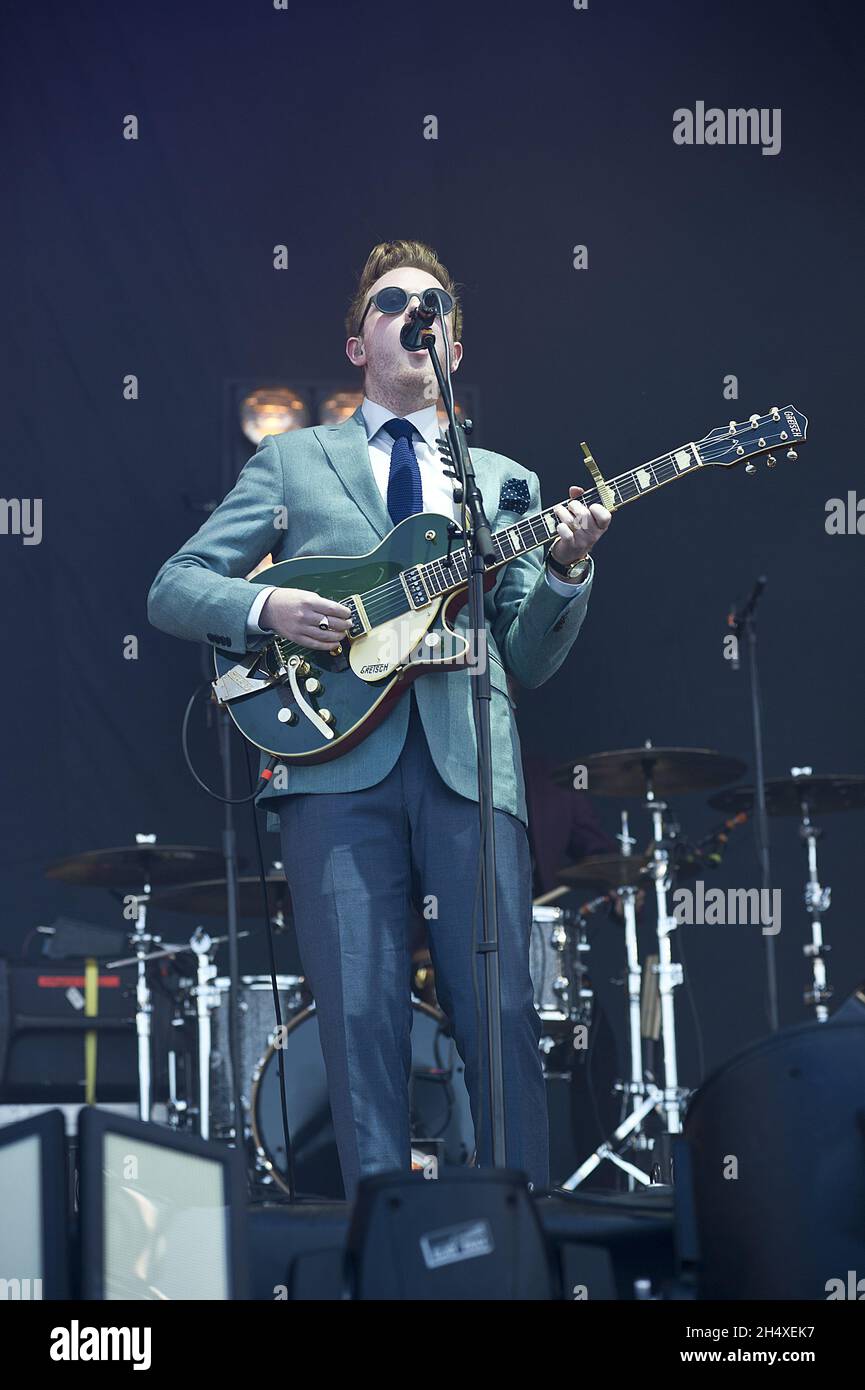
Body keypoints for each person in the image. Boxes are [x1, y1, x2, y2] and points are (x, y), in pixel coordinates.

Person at [147, 239, 611, 1199]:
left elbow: (527, 656)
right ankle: (377, 1252)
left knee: (501, 1013)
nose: (415, 312)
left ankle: (516, 1244)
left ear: (451, 345)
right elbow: (173, 586)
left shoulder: (503, 481)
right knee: (358, 1017)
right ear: (358, 342)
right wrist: (263, 608)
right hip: (330, 770)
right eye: (393, 302)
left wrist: (567, 569)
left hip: (468, 765)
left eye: (432, 304)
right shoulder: (292, 460)